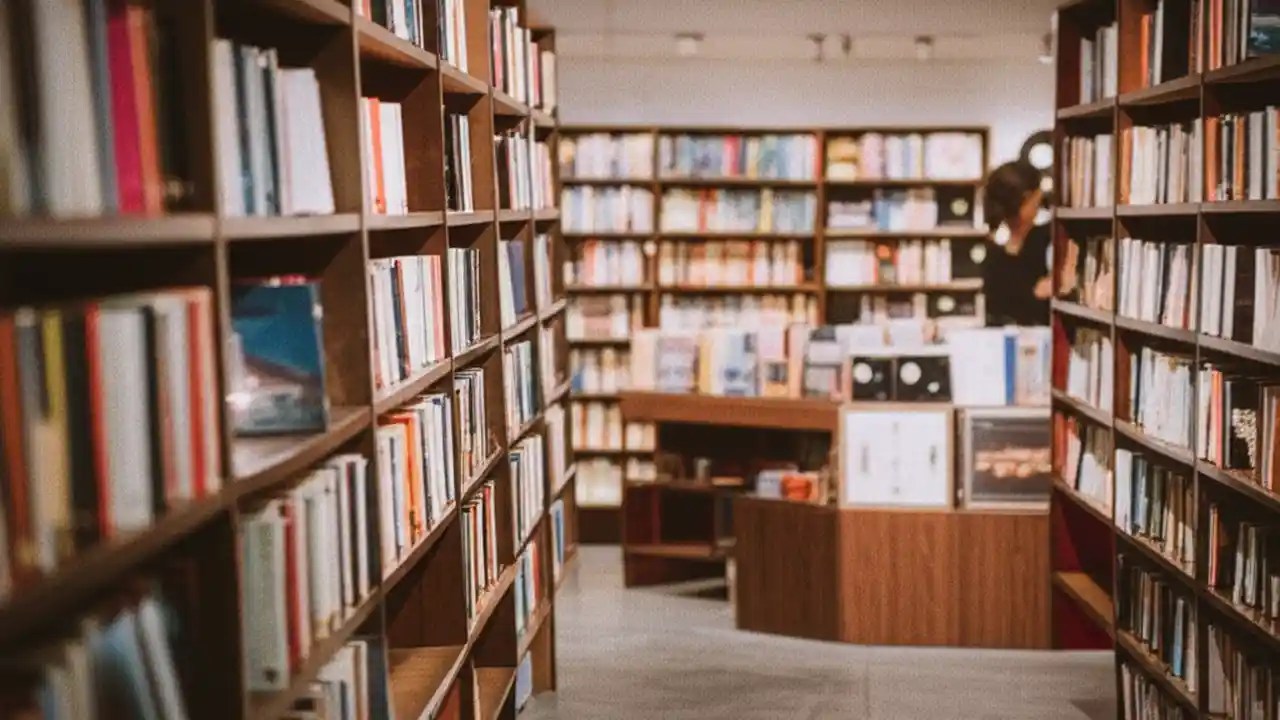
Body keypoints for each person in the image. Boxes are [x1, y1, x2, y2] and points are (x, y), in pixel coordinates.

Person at [980, 160, 1067, 326]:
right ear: (1025, 199)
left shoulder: (1048, 236)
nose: (1039, 203)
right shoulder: (994, 249)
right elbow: (994, 307)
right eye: (1036, 197)